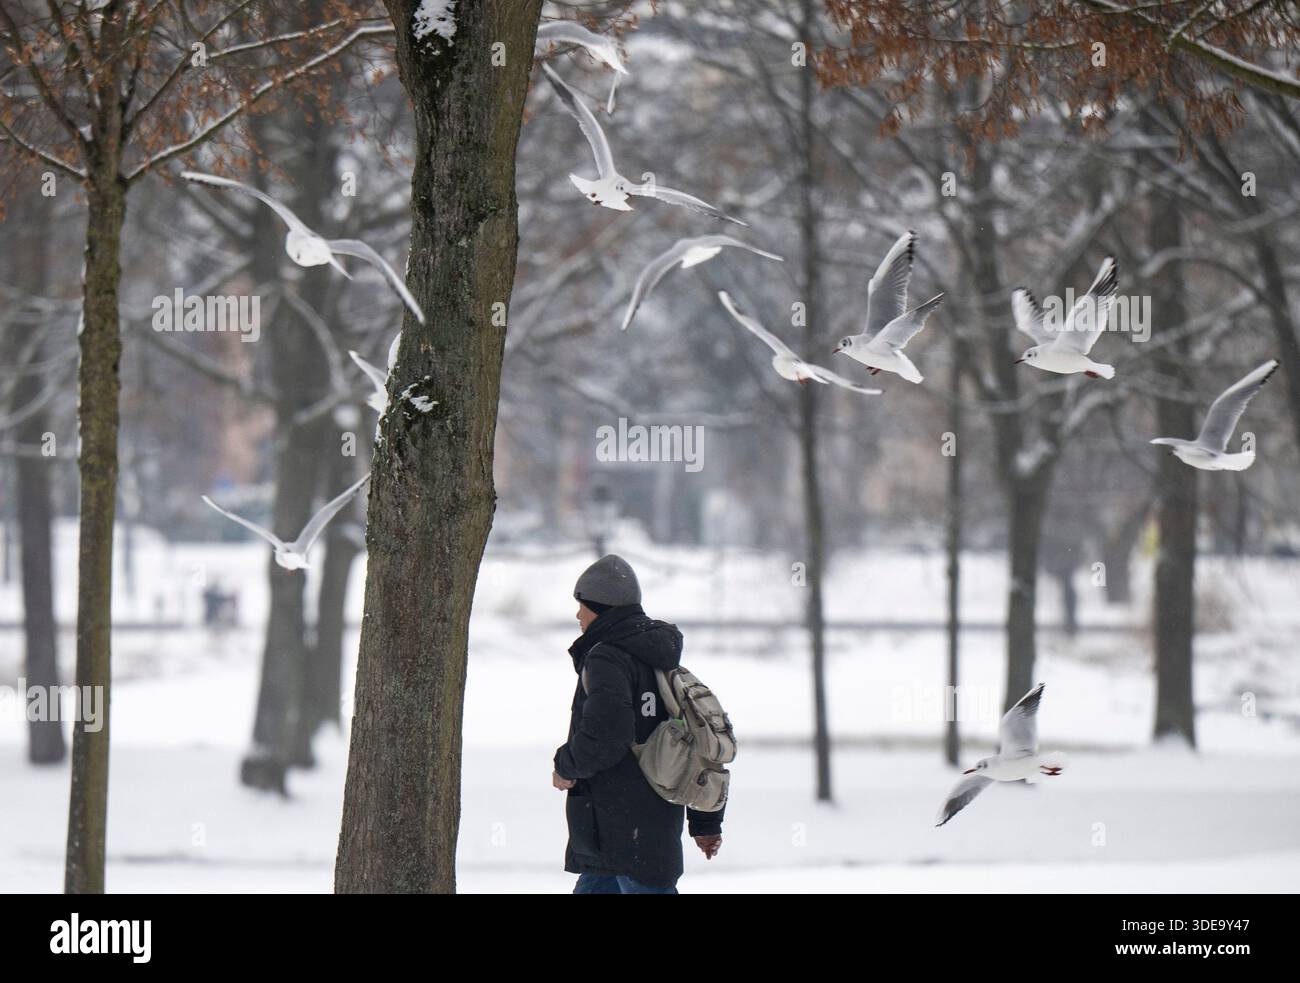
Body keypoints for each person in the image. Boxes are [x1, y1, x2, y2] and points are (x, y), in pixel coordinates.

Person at [553, 554, 724, 894]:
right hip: (642, 834)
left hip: (619, 831)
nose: (577, 614)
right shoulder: (660, 659)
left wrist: (566, 765)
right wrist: (706, 821)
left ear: (601, 606)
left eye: (582, 605)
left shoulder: (606, 656)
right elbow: (697, 736)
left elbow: (608, 734)